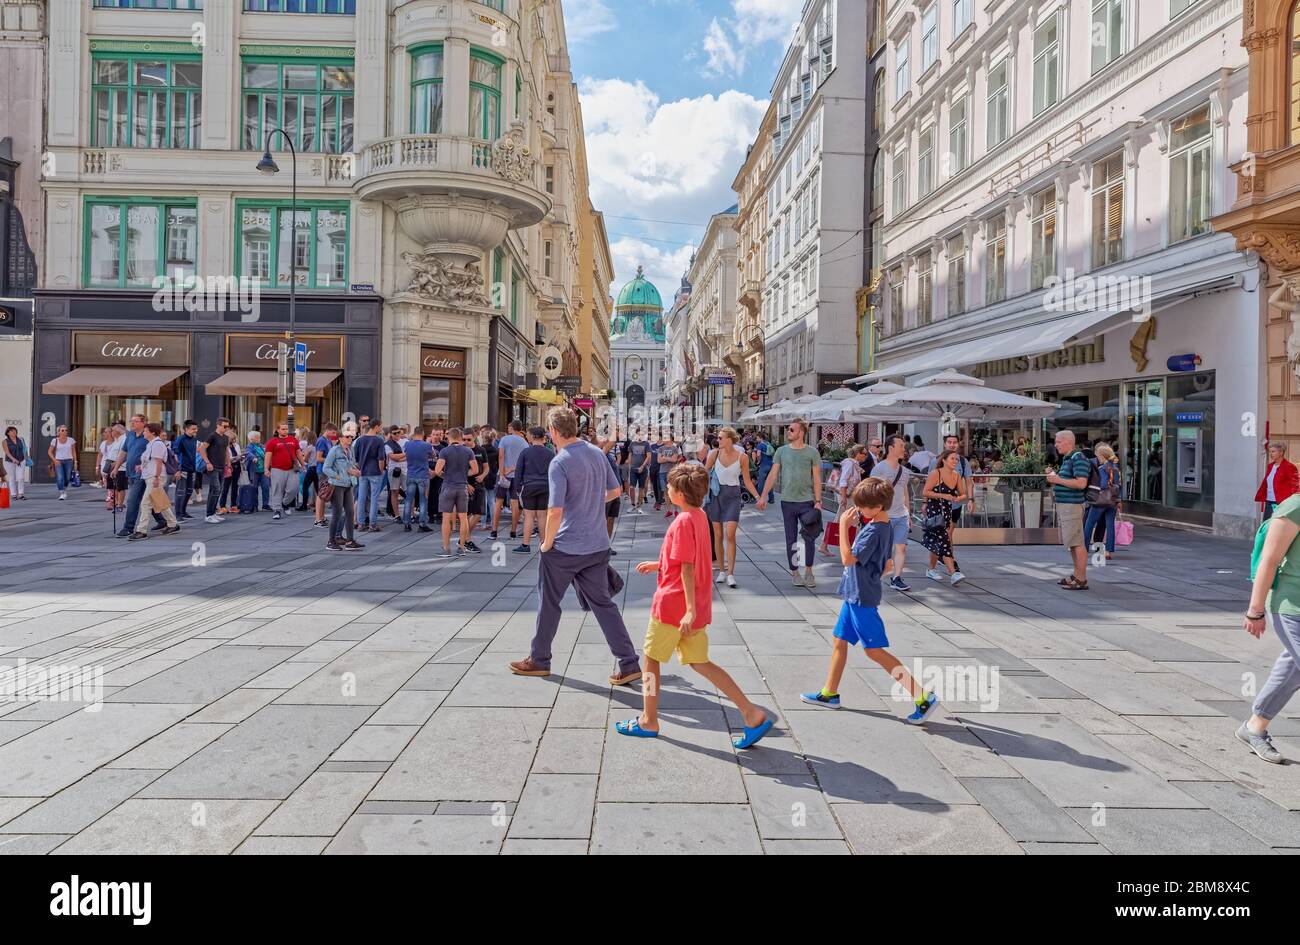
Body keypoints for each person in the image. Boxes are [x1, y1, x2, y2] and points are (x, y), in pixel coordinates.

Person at [614, 463, 774, 746]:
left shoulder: (682, 521)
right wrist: (660, 564)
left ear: (678, 493)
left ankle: (648, 720)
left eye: (670, 487)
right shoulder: (699, 516)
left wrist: (687, 610)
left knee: (650, 660)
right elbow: (687, 558)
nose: (667, 489)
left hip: (673, 606)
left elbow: (687, 567)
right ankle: (751, 714)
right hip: (696, 604)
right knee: (700, 662)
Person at [509, 407, 642, 685]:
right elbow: (615, 491)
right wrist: (591, 504)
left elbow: (555, 510)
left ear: (554, 432)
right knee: (603, 604)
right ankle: (629, 662)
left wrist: (546, 542)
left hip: (566, 547)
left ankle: (539, 659)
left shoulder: (560, 461)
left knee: (549, 602)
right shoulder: (595, 452)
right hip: (596, 544)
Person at [799, 477, 939, 723]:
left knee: (874, 651)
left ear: (877, 507)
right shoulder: (882, 525)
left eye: (863, 506)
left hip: (861, 596)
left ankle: (922, 697)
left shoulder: (873, 530)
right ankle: (829, 693)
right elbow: (886, 563)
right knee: (839, 641)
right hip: (857, 592)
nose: (859, 510)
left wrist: (843, 526)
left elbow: (847, 559)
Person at [1239, 490, 1300, 763]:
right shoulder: (1295, 506)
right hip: (1292, 607)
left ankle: (1255, 726)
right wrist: (1255, 611)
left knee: (1292, 671)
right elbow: (1270, 559)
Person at [757, 418, 823, 588]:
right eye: (788, 429)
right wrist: (763, 496)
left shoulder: (812, 452)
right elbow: (772, 474)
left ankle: (809, 571)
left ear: (801, 433)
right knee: (791, 539)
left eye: (792, 430)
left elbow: (817, 478)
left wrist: (818, 501)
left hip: (807, 501)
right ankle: (795, 572)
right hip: (788, 502)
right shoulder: (781, 451)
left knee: (809, 538)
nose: (788, 432)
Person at [704, 427, 758, 588]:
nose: (717, 440)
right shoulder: (714, 454)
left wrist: (757, 497)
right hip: (716, 495)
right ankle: (721, 570)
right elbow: (704, 472)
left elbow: (747, 481)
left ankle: (731, 574)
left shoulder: (742, 457)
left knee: (731, 534)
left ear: (729, 440)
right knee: (718, 535)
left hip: (733, 496)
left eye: (721, 438)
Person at [869, 434, 918, 592]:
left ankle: (896, 578)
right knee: (883, 549)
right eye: (901, 446)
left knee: (901, 548)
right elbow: (871, 491)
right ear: (891, 448)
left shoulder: (904, 471)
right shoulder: (879, 468)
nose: (904, 449)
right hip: (884, 515)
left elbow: (905, 492)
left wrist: (908, 513)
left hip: (901, 515)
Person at [1046, 429, 1092, 591]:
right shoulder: (1069, 459)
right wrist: (1055, 478)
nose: (1055, 445)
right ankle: (1076, 575)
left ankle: (1081, 578)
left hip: (1072, 506)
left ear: (1069, 442)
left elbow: (1081, 483)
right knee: (1072, 542)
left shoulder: (1078, 459)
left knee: (1077, 542)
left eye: (1058, 442)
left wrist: (1057, 479)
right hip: (1066, 506)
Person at [928, 434, 973, 575]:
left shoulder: (963, 462)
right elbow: (928, 485)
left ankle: (940, 561)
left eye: (955, 442)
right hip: (938, 505)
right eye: (949, 442)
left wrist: (970, 499)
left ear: (958, 444)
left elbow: (969, 482)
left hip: (954, 506)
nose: (952, 444)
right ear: (945, 444)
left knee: (948, 534)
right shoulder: (936, 461)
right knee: (945, 534)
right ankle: (951, 564)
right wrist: (925, 502)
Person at [921, 449, 967, 585]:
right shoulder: (936, 473)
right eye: (952, 458)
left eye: (957, 459)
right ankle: (953, 573)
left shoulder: (957, 475)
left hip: (947, 510)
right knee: (944, 538)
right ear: (944, 460)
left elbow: (963, 494)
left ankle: (931, 569)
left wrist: (959, 498)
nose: (955, 461)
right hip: (934, 510)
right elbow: (926, 492)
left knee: (938, 540)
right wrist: (944, 496)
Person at [129, 422, 181, 540]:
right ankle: (173, 524)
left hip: (154, 477)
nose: (144, 433)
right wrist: (141, 467)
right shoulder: (151, 444)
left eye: (146, 431)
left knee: (145, 503)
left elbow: (158, 462)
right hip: (150, 477)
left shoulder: (157, 444)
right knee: (160, 502)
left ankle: (141, 530)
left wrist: (157, 478)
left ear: (152, 432)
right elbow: (150, 461)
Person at [433, 426, 479, 557]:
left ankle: (446, 548)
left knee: (446, 518)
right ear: (460, 438)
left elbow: (437, 470)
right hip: (462, 486)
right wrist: (464, 474)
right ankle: (462, 547)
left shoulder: (444, 451)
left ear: (450, 438)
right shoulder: (468, 451)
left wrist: (445, 475)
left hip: (448, 486)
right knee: (463, 517)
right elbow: (475, 470)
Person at [512, 426, 554, 553]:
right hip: (545, 486)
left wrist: (518, 488)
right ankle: (544, 543)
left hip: (529, 485)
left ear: (532, 437)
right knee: (542, 515)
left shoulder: (526, 452)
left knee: (529, 515)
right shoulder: (550, 453)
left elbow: (518, 471)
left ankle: (525, 544)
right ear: (543, 437)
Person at [322, 428, 364, 552]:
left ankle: (350, 541)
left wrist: (355, 471)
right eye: (347, 437)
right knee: (337, 513)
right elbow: (326, 468)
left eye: (351, 437)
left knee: (350, 512)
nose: (350, 439)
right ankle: (331, 541)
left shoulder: (350, 450)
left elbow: (350, 466)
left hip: (348, 484)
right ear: (340, 438)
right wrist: (337, 475)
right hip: (337, 485)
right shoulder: (334, 450)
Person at [821, 444, 865, 558]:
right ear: (858, 454)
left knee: (842, 520)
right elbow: (844, 480)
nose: (865, 456)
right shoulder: (849, 463)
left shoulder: (854, 464)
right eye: (864, 454)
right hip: (847, 497)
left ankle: (825, 545)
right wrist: (844, 497)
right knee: (851, 521)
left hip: (851, 497)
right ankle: (850, 548)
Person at [1084, 442, 1123, 561]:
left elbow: (1102, 484)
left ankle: (1084, 549)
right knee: (1110, 525)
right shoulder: (1116, 469)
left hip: (1100, 500)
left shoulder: (1102, 469)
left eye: (1098, 456)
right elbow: (1118, 486)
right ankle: (1108, 551)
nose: (1097, 458)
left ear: (1103, 456)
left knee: (1089, 525)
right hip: (1112, 501)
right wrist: (1119, 501)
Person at [493, 420, 528, 540]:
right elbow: (524, 461)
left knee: (498, 502)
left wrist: (502, 472)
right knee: (515, 503)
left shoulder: (505, 439)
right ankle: (513, 530)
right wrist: (514, 468)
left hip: (504, 474)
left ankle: (494, 530)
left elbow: (501, 456)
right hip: (517, 475)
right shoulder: (524, 442)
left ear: (511, 427)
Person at [352, 420, 387, 532]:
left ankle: (361, 523)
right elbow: (381, 458)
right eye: (380, 427)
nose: (380, 429)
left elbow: (355, 458)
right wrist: (381, 470)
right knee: (374, 499)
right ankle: (372, 524)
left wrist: (360, 468)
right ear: (376, 427)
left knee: (361, 498)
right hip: (375, 472)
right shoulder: (379, 440)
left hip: (363, 472)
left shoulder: (359, 440)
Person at [197, 418, 232, 525]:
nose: (226, 428)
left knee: (218, 489)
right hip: (213, 467)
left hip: (221, 466)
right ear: (218, 425)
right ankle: (208, 515)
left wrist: (228, 464)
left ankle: (212, 513)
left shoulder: (226, 437)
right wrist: (207, 462)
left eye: (227, 426)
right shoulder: (212, 436)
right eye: (224, 426)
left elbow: (226, 450)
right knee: (215, 489)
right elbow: (201, 449)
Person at [265, 421, 301, 521]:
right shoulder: (272, 441)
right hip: (277, 469)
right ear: (278, 430)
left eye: (286, 429)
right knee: (277, 490)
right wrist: (266, 469)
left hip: (291, 469)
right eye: (283, 429)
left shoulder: (293, 440)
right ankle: (277, 510)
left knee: (293, 488)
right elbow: (268, 456)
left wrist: (302, 464)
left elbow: (298, 453)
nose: (285, 431)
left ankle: (284, 503)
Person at [1257, 441, 1298, 520]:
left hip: (1282, 503)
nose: (1271, 454)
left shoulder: (1289, 467)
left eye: (1273, 451)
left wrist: (1292, 504)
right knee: (1266, 525)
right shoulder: (1270, 466)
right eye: (1270, 452)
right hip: (1269, 501)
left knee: (1279, 526)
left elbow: (1295, 487)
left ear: (1281, 452)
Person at [312, 423, 339, 527]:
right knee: (321, 494)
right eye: (333, 432)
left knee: (324, 494)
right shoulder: (322, 440)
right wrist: (331, 461)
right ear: (327, 430)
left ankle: (322, 517)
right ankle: (318, 519)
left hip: (326, 471)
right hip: (322, 470)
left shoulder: (328, 441)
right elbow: (318, 458)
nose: (334, 434)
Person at [217, 425, 242, 514]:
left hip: (237, 467)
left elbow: (238, 454)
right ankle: (222, 506)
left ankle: (233, 505)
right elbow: (225, 458)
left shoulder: (236, 446)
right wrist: (234, 458)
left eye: (234, 439)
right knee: (225, 487)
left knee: (235, 486)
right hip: (228, 467)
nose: (234, 441)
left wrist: (240, 457)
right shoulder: (224, 446)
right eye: (232, 439)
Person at [47, 425, 77, 500]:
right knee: (60, 478)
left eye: (66, 430)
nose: (64, 432)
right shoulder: (55, 440)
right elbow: (49, 452)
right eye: (62, 430)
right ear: (59, 432)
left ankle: (64, 488)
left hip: (69, 461)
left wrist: (75, 461)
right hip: (58, 461)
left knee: (67, 477)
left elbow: (73, 451)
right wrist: (54, 460)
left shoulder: (71, 440)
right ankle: (62, 492)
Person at [656, 435, 683, 517]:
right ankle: (669, 510)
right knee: (665, 492)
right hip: (662, 472)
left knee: (674, 491)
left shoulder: (674, 448)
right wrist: (669, 458)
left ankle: (676, 510)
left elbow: (674, 460)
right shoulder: (661, 448)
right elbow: (659, 460)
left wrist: (665, 458)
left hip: (672, 472)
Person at [104, 422, 127, 512]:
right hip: (111, 466)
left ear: (118, 432)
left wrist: (117, 463)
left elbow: (125, 454)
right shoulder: (116, 441)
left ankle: (120, 505)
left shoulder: (124, 440)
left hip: (121, 467)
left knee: (120, 487)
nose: (111, 432)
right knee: (113, 487)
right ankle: (117, 503)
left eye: (112, 431)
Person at [3, 426, 29, 501]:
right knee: (12, 477)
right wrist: (13, 459)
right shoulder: (5, 441)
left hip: (21, 460)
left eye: (15, 431)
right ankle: (14, 494)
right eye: (12, 431)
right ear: (8, 433)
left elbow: (25, 449)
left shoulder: (21, 439)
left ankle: (21, 494)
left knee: (20, 477)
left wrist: (26, 458)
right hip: (10, 461)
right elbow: (7, 452)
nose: (14, 432)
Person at [627, 434, 651, 511]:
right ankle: (633, 504)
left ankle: (639, 505)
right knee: (631, 487)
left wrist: (643, 466)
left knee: (641, 488)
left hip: (643, 469)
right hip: (633, 469)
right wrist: (629, 466)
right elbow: (630, 455)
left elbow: (648, 456)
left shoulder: (646, 444)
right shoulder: (632, 443)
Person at [244, 430, 267, 512]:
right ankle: (254, 506)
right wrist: (253, 458)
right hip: (254, 470)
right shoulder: (250, 446)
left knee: (266, 487)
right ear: (252, 439)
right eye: (257, 437)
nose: (259, 438)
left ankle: (265, 505)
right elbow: (248, 453)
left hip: (263, 470)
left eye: (259, 437)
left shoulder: (261, 446)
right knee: (254, 488)